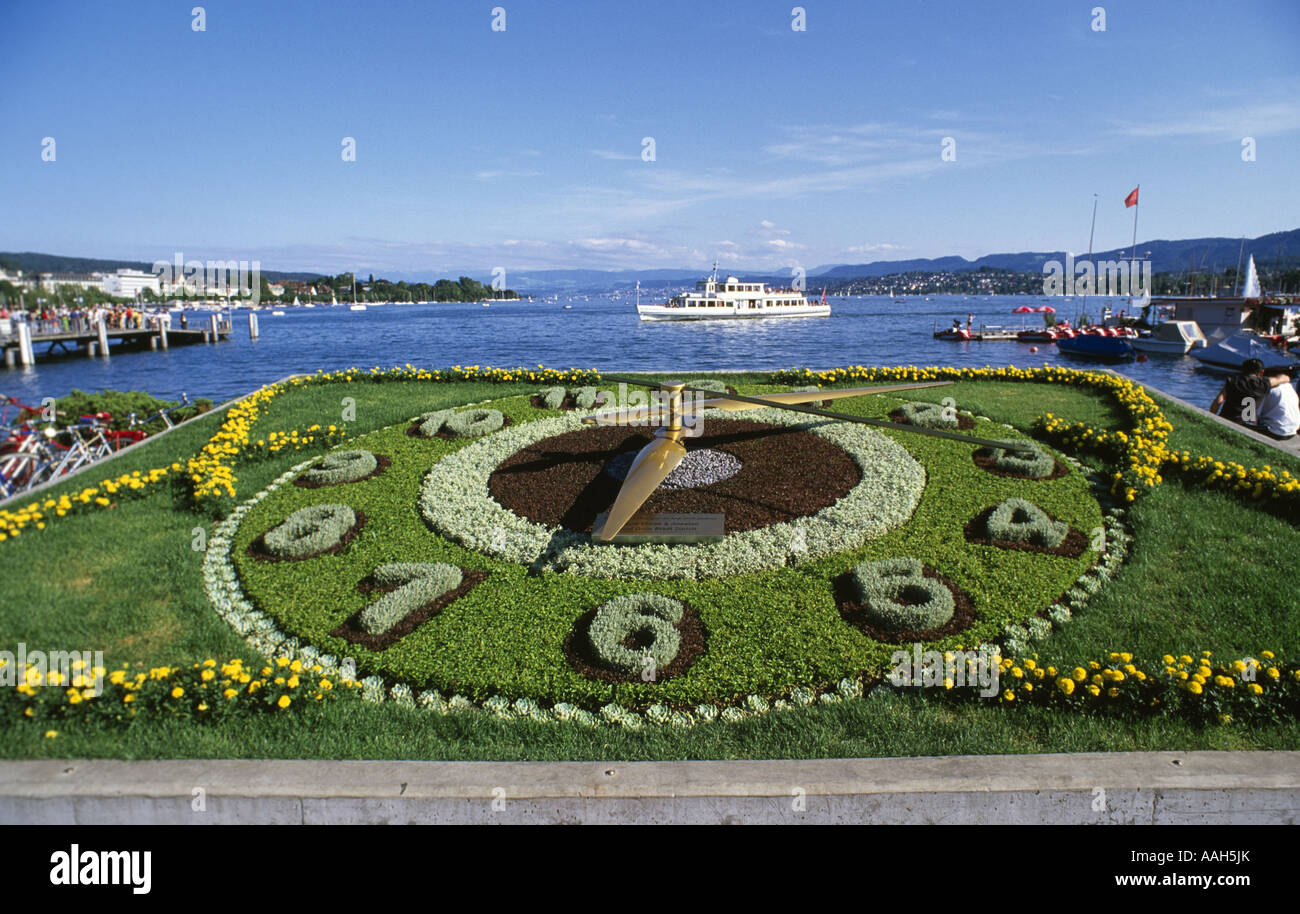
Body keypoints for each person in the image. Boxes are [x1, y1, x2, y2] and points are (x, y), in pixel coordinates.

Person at [1210, 358, 1269, 427]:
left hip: (1227, 418)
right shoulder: (1263, 386)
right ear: (1261, 372)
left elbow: (1218, 401)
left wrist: (1211, 416)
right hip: (1249, 424)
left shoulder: (1233, 381)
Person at [1258, 368, 1299, 440]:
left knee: (1246, 418)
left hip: (1275, 431)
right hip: (1292, 431)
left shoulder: (1265, 388)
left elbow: (1251, 418)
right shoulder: (1288, 386)